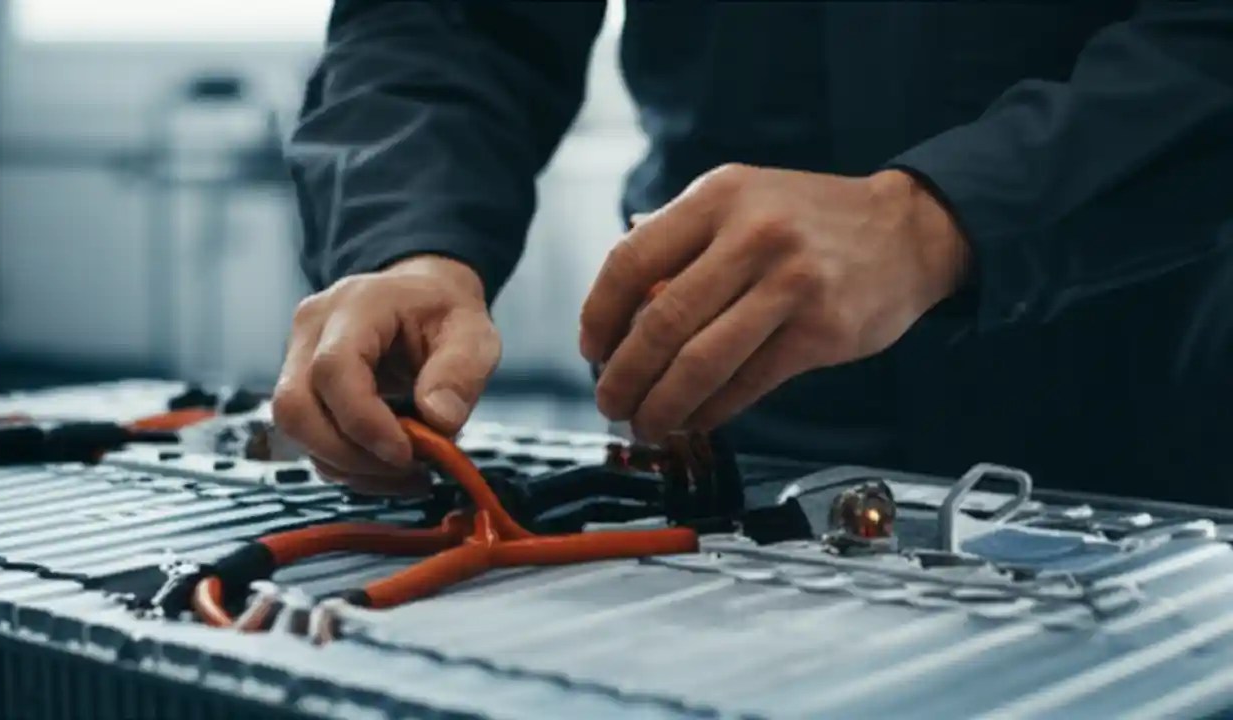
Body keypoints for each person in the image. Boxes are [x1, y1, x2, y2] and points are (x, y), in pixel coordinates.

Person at [274, 2, 1233, 505]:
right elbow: (452, 19)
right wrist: (408, 247)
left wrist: (948, 215)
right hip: (719, 431)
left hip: (1145, 437)